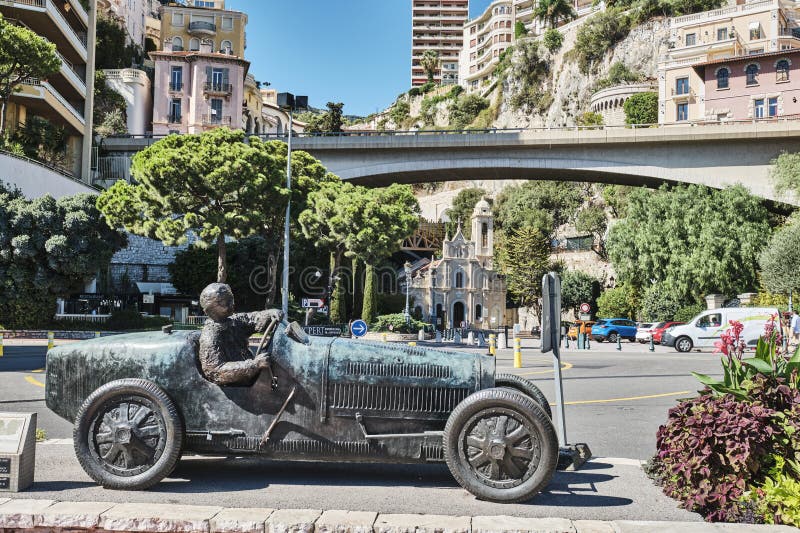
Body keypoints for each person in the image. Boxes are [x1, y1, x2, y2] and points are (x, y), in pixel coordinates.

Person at [198, 283, 283, 386]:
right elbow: (216, 371)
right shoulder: (210, 336)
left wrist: (270, 314)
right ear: (211, 308)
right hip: (235, 390)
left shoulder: (234, 321)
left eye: (231, 300)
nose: (232, 304)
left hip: (253, 380)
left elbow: (253, 319)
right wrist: (254, 365)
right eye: (226, 302)